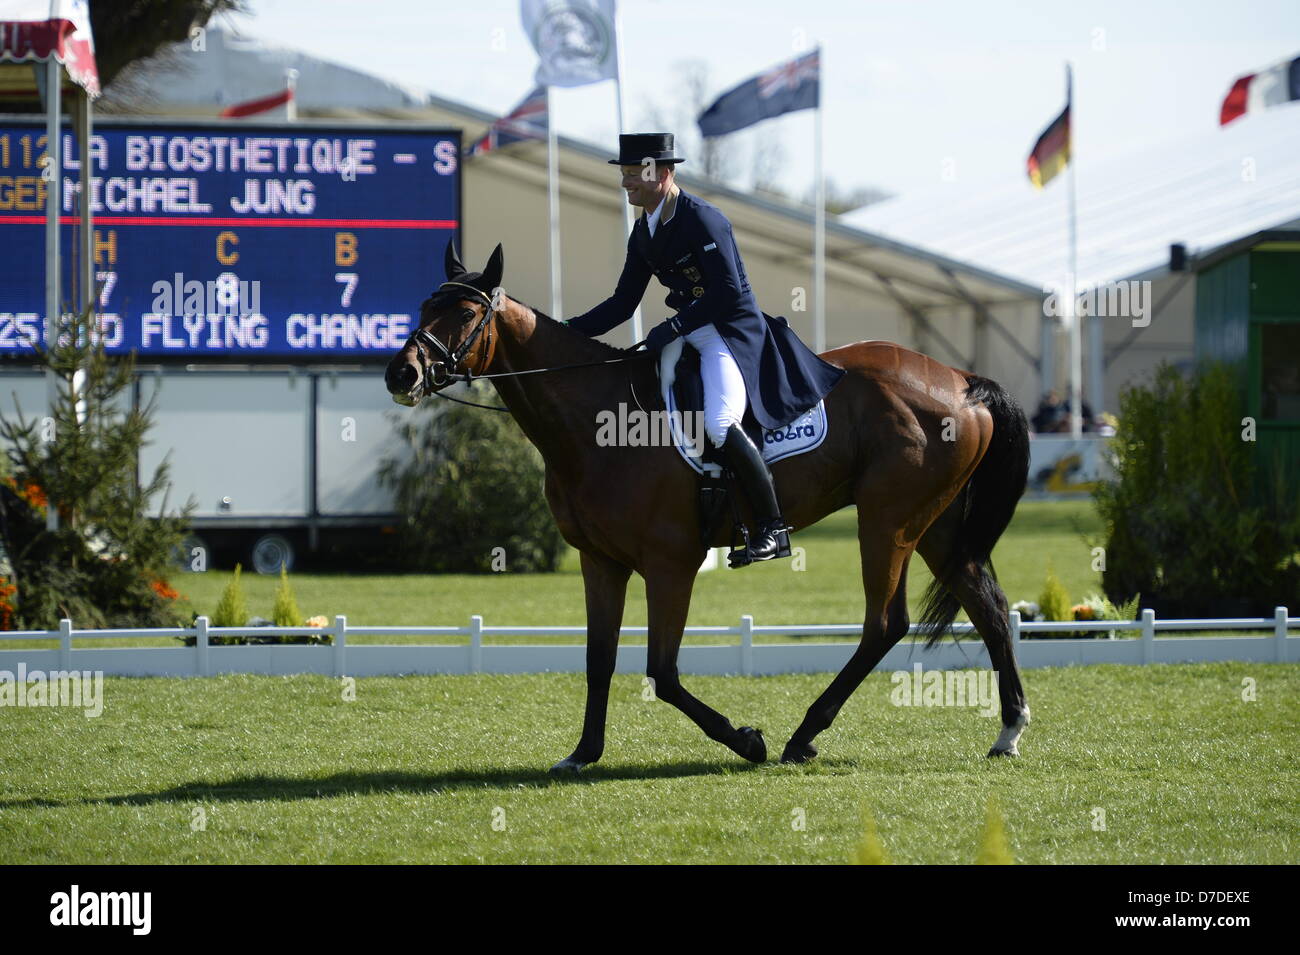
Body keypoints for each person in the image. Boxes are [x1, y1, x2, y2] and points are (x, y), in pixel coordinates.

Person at [566, 133, 844, 565]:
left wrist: (673, 324)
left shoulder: (703, 219)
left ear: (664, 173)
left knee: (718, 422)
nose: (626, 185)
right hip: (689, 332)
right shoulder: (644, 231)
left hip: (730, 332)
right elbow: (623, 302)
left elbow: (729, 291)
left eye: (632, 175)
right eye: (623, 175)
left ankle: (772, 529)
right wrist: (566, 331)